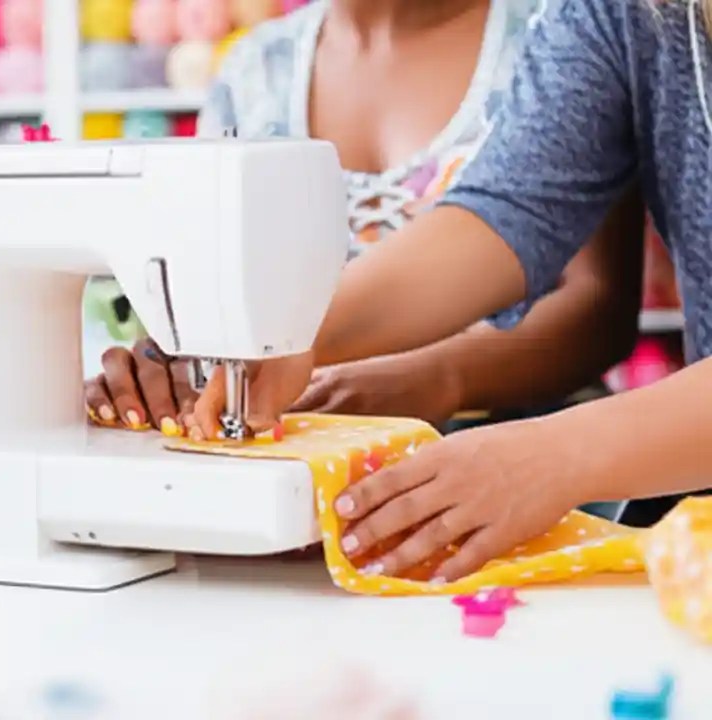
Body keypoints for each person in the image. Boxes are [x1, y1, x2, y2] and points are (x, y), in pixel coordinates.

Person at [181, 0, 712, 581]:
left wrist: (550, 457)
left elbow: (587, 301)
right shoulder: (620, 12)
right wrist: (297, 331)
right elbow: (513, 211)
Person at [84, 0, 642, 436]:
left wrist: (438, 379)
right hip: (304, 443)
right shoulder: (255, 71)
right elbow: (204, 285)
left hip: (532, 445)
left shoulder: (559, 38)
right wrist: (170, 364)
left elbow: (595, 301)